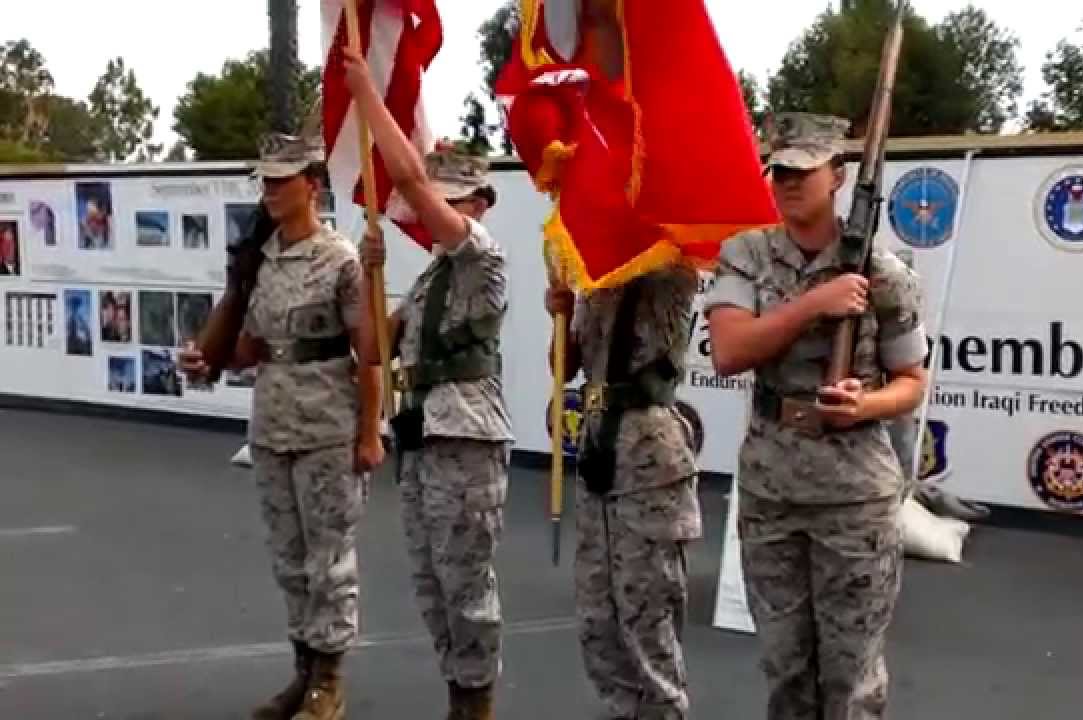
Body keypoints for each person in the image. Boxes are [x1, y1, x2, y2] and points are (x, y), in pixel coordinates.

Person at [703, 112, 929, 719]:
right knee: (786, 671)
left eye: (804, 171)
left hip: (855, 497)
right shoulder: (746, 255)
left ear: (838, 175)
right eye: (780, 171)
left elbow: (911, 382)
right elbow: (729, 352)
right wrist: (813, 305)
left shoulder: (884, 273)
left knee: (851, 678)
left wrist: (865, 404)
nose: (789, 183)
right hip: (771, 492)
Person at [178, 129, 385, 720]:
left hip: (328, 428)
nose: (269, 191)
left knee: (329, 563)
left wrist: (370, 433)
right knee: (289, 562)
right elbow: (254, 346)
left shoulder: (340, 259)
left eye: (280, 181)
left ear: (311, 186)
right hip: (271, 427)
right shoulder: (259, 259)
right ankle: (303, 672)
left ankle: (329, 682)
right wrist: (209, 358)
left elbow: (368, 353)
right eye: (264, 181)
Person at [343, 48, 512, 720]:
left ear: (480, 203)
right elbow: (371, 349)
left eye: (453, 198)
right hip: (420, 438)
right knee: (432, 584)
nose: (436, 206)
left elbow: (410, 182)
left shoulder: (481, 258)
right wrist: (368, 275)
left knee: (466, 584)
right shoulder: (430, 279)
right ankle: (459, 697)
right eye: (440, 196)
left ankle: (476, 703)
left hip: (465, 440)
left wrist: (368, 96)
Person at [543, 258, 703, 717]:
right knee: (598, 616)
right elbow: (564, 367)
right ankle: (622, 710)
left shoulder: (670, 271)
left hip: (649, 460)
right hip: (599, 450)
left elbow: (673, 282)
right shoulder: (597, 280)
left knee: (647, 614)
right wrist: (561, 314)